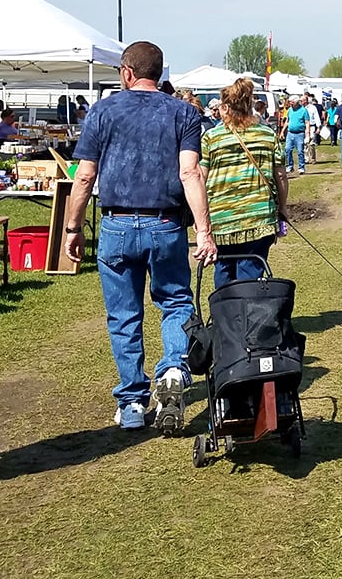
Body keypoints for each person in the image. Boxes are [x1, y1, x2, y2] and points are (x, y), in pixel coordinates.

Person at [63, 41, 217, 436]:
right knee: (176, 301)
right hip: (165, 224)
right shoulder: (184, 113)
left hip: (115, 225)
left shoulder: (102, 111)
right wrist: (204, 231)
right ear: (160, 74)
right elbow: (191, 174)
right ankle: (171, 369)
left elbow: (83, 176)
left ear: (127, 73)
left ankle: (132, 399)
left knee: (123, 314)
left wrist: (73, 227)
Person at [200, 79, 288, 288]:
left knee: (223, 270)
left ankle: (225, 317)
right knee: (251, 272)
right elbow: (281, 176)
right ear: (249, 105)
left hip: (221, 217)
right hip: (258, 216)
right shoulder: (268, 134)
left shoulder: (211, 138)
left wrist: (201, 218)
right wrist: (282, 208)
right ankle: (249, 318)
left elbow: (200, 178)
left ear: (224, 107)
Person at [279, 95, 309, 175]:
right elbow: (287, 121)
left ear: (296, 102)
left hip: (300, 133)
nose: (290, 104)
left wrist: (308, 135)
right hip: (290, 133)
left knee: (300, 151)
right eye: (290, 102)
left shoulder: (304, 110)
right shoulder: (289, 110)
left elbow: (307, 122)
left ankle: (301, 167)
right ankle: (289, 166)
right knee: (287, 149)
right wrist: (282, 131)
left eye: (292, 102)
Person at [301, 95, 321, 164]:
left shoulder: (312, 108)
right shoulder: (300, 108)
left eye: (302, 100)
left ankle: (312, 158)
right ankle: (306, 159)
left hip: (312, 126)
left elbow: (316, 117)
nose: (301, 102)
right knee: (305, 143)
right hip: (303, 127)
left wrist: (318, 127)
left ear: (305, 101)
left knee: (311, 143)